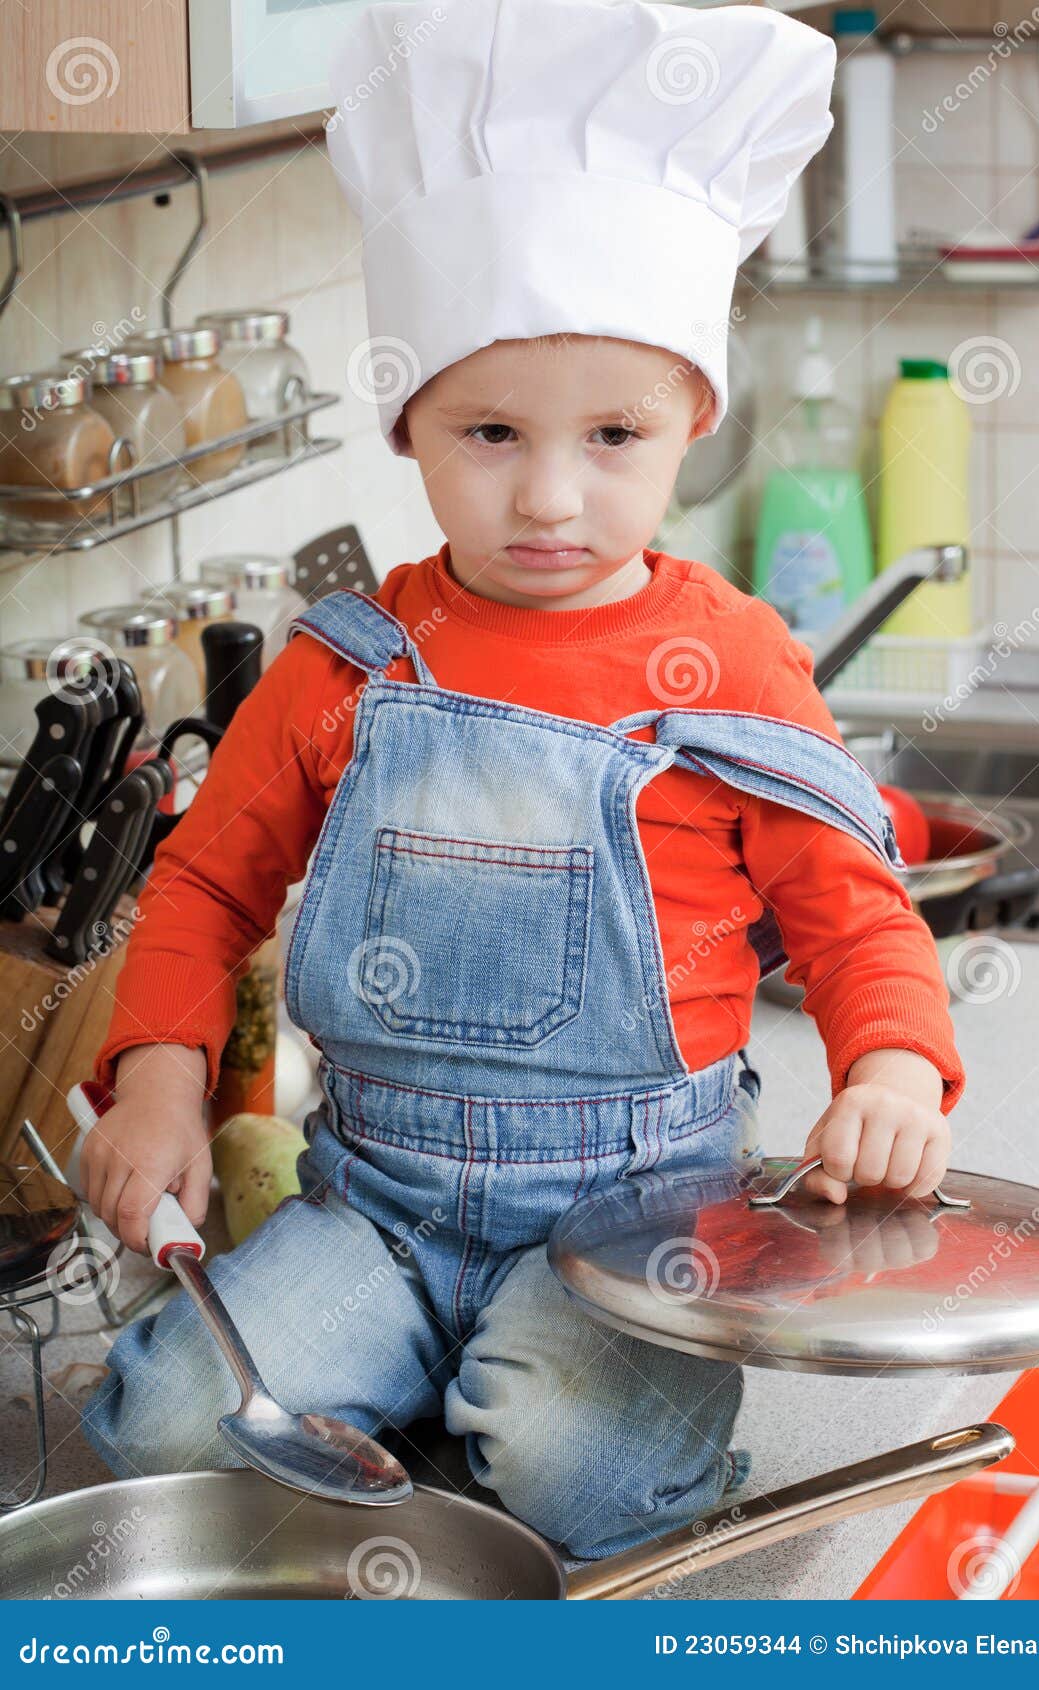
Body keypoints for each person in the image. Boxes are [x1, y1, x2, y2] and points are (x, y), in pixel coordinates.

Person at [80, 0, 963, 1563]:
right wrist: (156, 1068)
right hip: (379, 1210)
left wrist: (892, 1068)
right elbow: (208, 880)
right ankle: (413, 1388)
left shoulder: (736, 662)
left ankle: (474, 1421)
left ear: (693, 415)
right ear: (408, 418)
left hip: (635, 1226)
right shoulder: (352, 663)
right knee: (158, 1424)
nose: (550, 496)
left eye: (613, 432)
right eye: (490, 429)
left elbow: (855, 911)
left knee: (577, 1469)